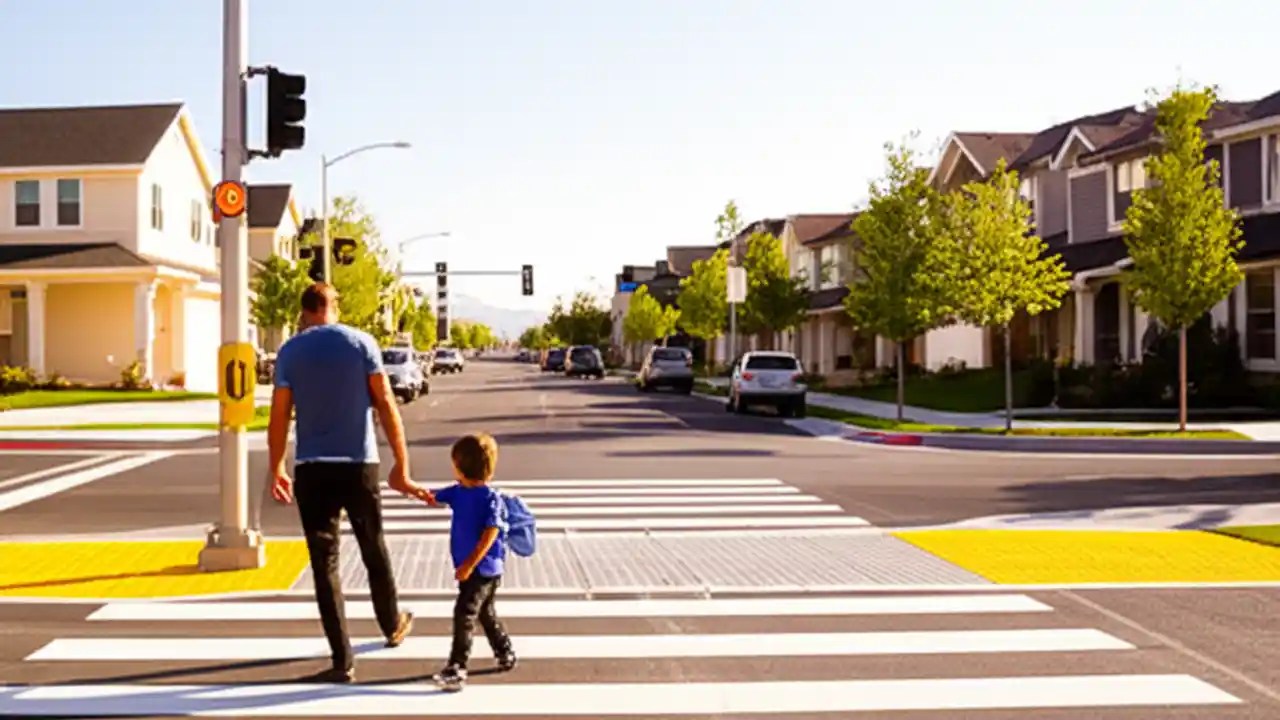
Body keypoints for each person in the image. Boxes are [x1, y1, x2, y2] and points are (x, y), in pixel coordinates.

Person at [268, 282, 427, 683]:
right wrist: (402, 467)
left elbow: (279, 416)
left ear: (304, 312)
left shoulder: (289, 351)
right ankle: (392, 624)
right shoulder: (362, 344)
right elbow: (386, 404)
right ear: (333, 306)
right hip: (359, 465)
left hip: (312, 467)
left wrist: (276, 467)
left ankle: (342, 660)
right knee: (373, 547)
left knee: (325, 565)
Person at [419, 432, 517, 691]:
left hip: (483, 569)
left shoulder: (490, 499)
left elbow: (491, 533)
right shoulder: (459, 491)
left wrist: (469, 565)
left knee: (464, 613)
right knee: (485, 613)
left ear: (461, 467)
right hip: (472, 568)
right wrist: (412, 489)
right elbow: (433, 497)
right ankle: (505, 650)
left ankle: (457, 667)